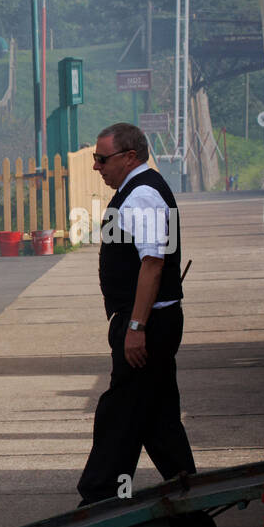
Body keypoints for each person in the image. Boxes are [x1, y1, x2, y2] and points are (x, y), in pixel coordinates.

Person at [77, 122, 195, 504]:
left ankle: (99, 496)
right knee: (157, 416)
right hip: (148, 320)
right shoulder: (136, 190)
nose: (96, 166)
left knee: (120, 410)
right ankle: (185, 487)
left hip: (147, 323)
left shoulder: (142, 194)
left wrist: (135, 328)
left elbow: (152, 265)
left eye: (102, 158)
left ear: (129, 157)